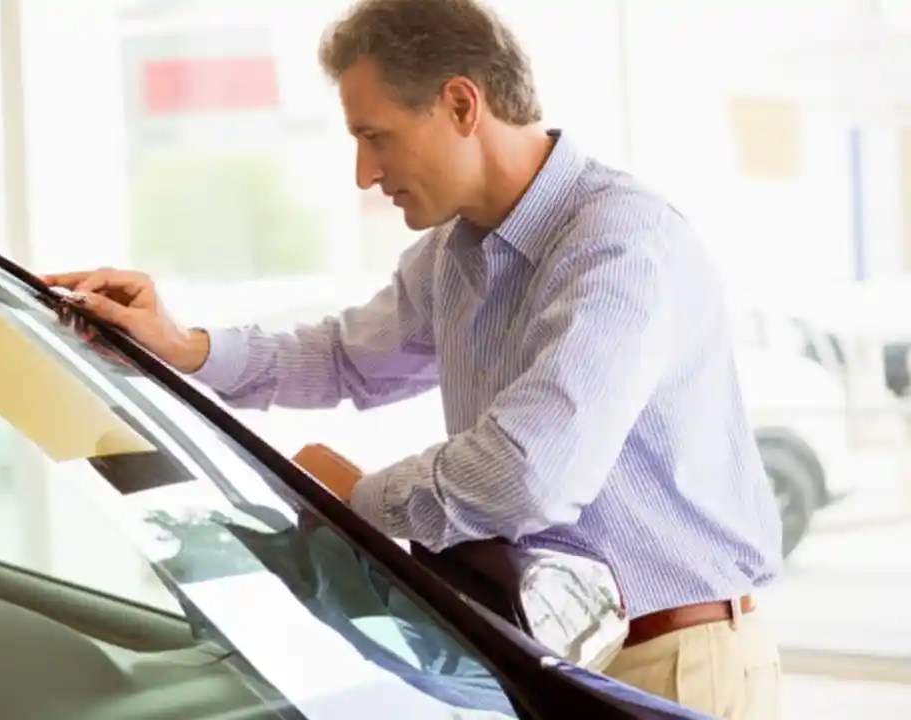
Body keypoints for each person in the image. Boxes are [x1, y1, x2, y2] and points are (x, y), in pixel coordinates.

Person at [46, 0, 782, 717]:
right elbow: (343, 357)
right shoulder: (450, 255)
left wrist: (356, 501)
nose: (365, 173)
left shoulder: (618, 243)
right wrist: (184, 347)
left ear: (462, 105)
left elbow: (527, 475)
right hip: (544, 658)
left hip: (672, 666)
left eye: (377, 136)